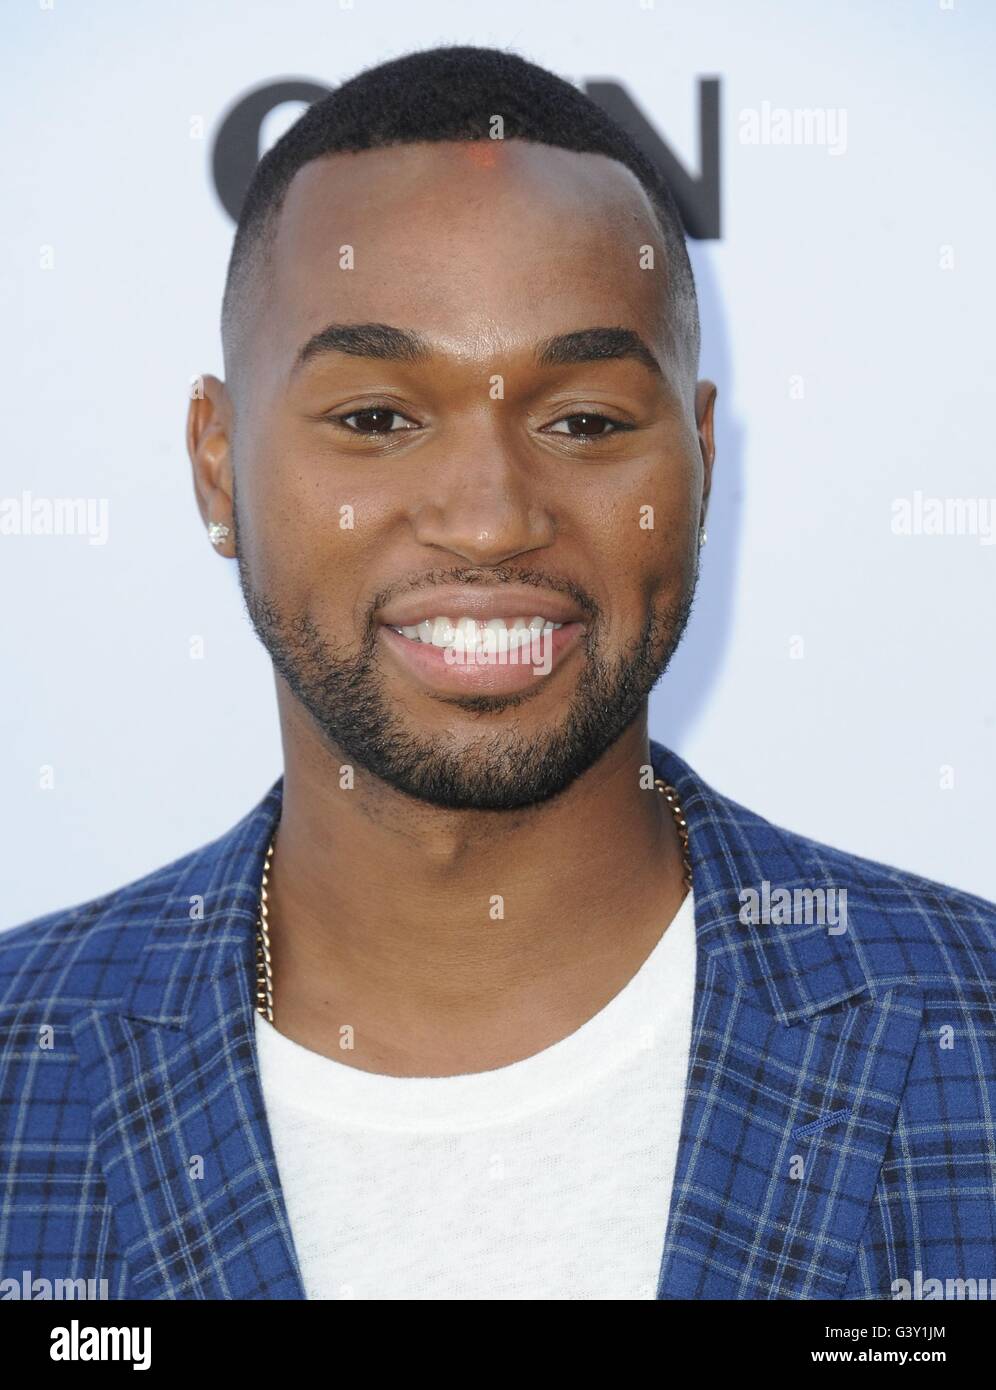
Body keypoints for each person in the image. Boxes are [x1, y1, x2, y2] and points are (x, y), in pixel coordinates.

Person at [2, 45, 994, 1303]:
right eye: (375, 419)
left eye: (581, 421)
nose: (488, 518)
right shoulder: (22, 1053)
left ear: (697, 461)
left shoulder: (970, 1022)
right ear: (217, 463)